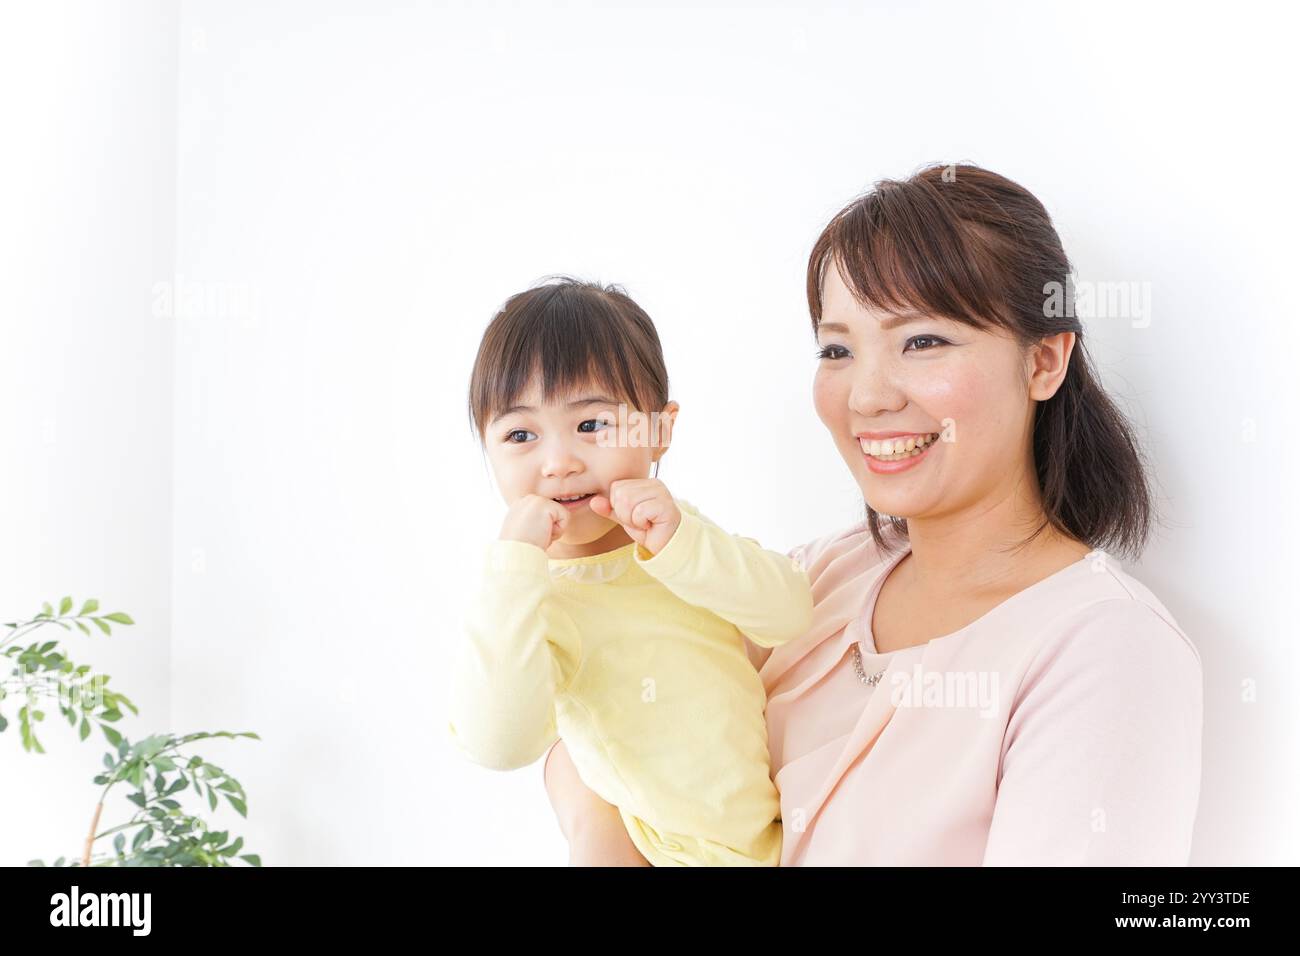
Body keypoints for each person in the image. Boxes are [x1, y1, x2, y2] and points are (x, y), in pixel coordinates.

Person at [544, 164, 1204, 865]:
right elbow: (592, 733)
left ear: (1044, 361)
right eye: (837, 349)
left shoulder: (1106, 651)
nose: (867, 396)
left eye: (922, 341)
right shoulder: (818, 575)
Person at [446, 277, 814, 865]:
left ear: (660, 432)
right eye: (520, 435)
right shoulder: (534, 601)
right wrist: (513, 569)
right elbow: (497, 744)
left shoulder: (679, 540)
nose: (559, 463)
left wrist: (684, 545)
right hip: (657, 849)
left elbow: (792, 614)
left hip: (767, 845)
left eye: (592, 425)